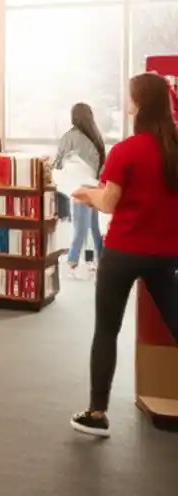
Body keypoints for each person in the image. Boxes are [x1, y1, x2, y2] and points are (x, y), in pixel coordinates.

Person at [70, 73, 178, 437]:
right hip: (166, 253)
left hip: (123, 252)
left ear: (140, 104)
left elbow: (108, 203)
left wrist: (87, 193)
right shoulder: (175, 148)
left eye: (130, 97)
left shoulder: (126, 151)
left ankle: (97, 414)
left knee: (106, 330)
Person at [51, 103, 106, 279]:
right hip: (93, 185)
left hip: (78, 186)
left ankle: (72, 261)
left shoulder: (70, 136)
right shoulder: (96, 137)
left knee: (79, 226)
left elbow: (58, 162)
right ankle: (101, 260)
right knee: (93, 227)